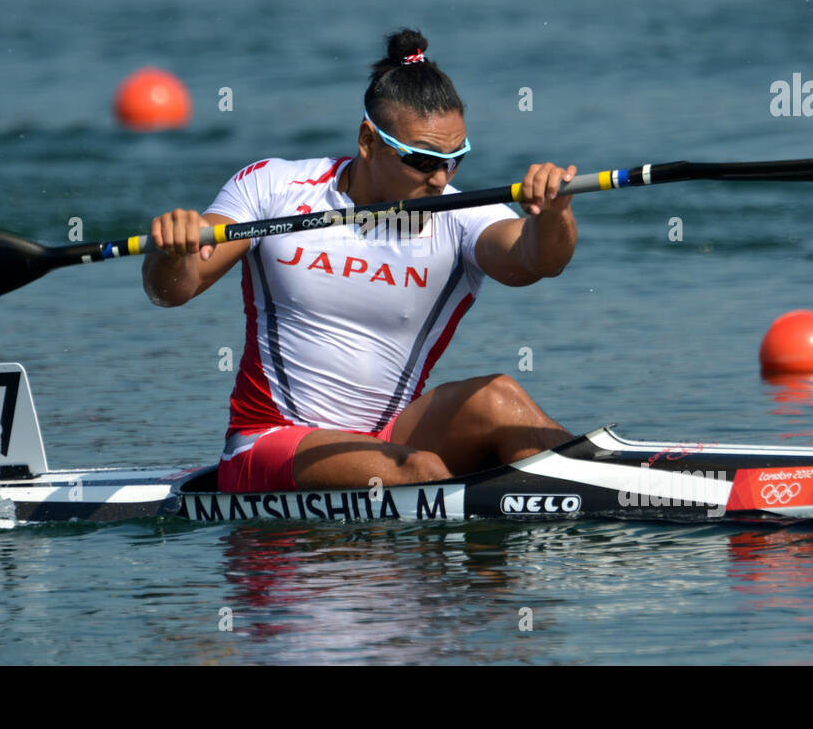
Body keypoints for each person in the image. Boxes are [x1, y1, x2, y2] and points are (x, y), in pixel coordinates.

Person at [143, 29, 579, 492]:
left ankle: (586, 507)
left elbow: (535, 261)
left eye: (454, 161)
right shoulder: (273, 188)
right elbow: (173, 290)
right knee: (422, 473)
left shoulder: (461, 215)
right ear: (368, 141)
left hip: (390, 438)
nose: (438, 179)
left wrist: (554, 215)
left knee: (501, 400)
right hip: (269, 441)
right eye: (421, 160)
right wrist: (171, 251)